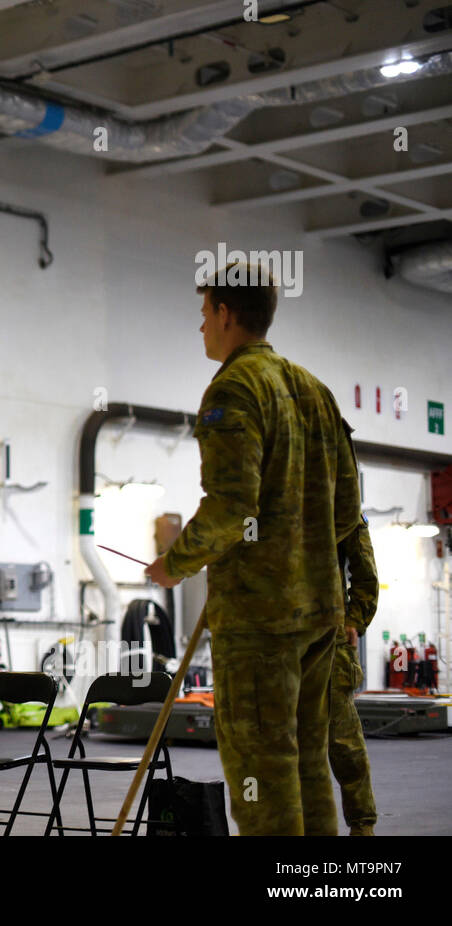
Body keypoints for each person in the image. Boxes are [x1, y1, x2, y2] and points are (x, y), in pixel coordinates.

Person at [146, 262, 362, 836]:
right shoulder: (316, 392)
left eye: (203, 314)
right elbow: (347, 514)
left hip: (261, 625)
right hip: (319, 616)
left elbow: (230, 509)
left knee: (262, 778)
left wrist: (174, 564)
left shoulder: (236, 388)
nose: (200, 329)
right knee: (310, 767)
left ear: (225, 313)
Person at [331, 511, 379, 835]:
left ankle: (362, 826)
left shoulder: (338, 501)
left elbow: (364, 569)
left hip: (326, 640)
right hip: (274, 644)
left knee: (344, 741)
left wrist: (355, 618)